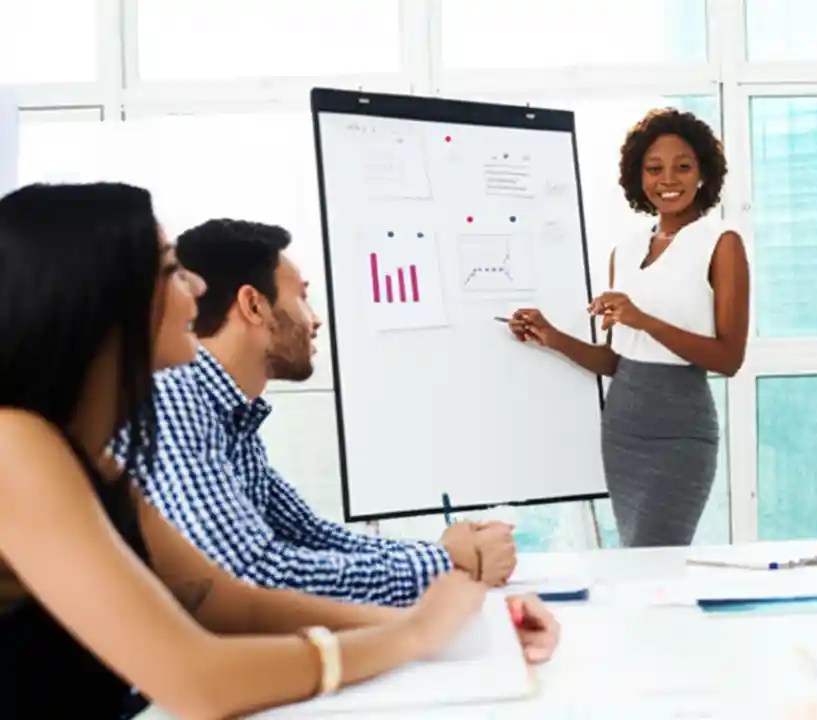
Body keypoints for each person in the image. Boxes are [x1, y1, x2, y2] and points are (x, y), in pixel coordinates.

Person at [0, 183, 559, 718]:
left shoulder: (91, 460)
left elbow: (229, 602)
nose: (197, 287)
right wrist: (414, 633)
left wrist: (467, 627)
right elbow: (199, 680)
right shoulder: (15, 446)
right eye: (172, 271)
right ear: (105, 297)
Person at [116, 219, 517, 607]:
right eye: (303, 298)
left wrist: (447, 554)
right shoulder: (174, 395)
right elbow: (251, 578)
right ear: (253, 305)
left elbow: (312, 536)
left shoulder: (232, 415)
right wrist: (445, 562)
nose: (316, 319)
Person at [507, 108, 750, 547]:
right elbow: (615, 360)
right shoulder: (625, 250)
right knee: (636, 558)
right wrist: (552, 336)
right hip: (622, 428)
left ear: (703, 174)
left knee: (658, 555)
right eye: (654, 168)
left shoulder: (721, 243)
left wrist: (644, 320)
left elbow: (729, 358)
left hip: (679, 431)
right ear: (638, 176)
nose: (667, 179)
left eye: (682, 166)